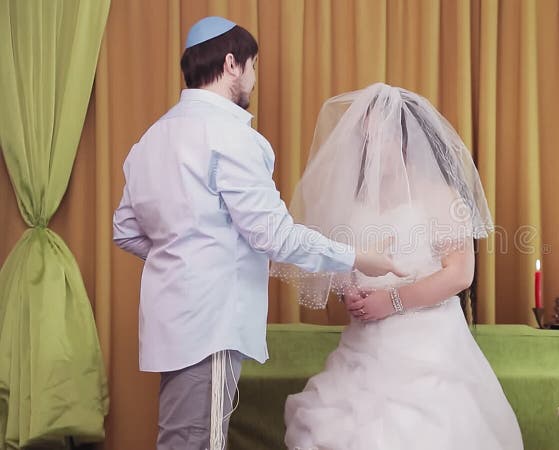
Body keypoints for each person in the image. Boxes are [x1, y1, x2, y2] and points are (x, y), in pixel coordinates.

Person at [112, 17, 402, 450]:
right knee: (198, 441)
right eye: (252, 67)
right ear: (231, 64)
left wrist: (187, 254)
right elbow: (276, 237)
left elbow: (125, 230)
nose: (253, 78)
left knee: (181, 436)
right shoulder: (231, 137)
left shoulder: (150, 140)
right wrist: (357, 257)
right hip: (211, 322)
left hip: (171, 319)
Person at [274, 83, 524, 450]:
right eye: (367, 138)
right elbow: (346, 260)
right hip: (363, 346)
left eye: (382, 138)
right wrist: (349, 290)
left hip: (426, 342)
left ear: (406, 141)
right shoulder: (359, 202)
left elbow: (460, 273)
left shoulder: (440, 195)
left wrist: (391, 301)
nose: (371, 149)